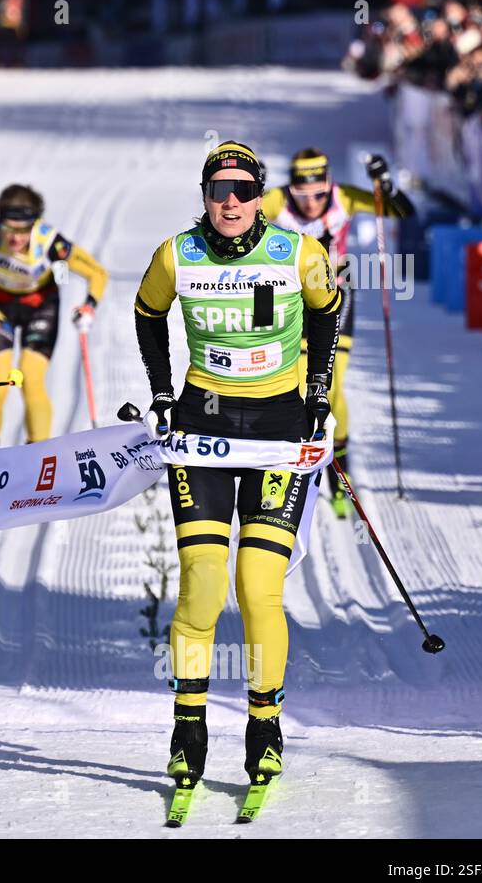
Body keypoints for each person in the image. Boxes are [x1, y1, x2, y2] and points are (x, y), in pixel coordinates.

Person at [132, 141, 341, 792]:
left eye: (243, 191)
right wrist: (163, 394)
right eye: (218, 189)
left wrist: (317, 394)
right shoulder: (176, 254)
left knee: (258, 586)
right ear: (203, 195)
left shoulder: (298, 253)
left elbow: (328, 315)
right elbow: (147, 315)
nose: (230, 202)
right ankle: (188, 726)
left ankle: (264, 726)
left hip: (277, 433)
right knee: (200, 580)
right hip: (203, 429)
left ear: (260, 197)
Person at [262, 149, 414, 516]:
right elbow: (232, 215)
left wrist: (386, 185)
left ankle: (338, 470)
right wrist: (253, 186)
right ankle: (289, 463)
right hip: (287, 296)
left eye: (318, 195)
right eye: (303, 197)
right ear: (291, 190)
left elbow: (400, 211)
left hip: (334, 293)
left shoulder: (344, 196)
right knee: (292, 381)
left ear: (328, 186)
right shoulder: (276, 200)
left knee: (331, 384)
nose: (312, 204)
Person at [0, 184, 108, 447]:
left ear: (35, 223)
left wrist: (89, 307)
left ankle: (37, 455)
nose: (15, 239)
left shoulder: (49, 241)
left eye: (23, 230)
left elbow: (97, 273)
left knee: (31, 377)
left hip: (41, 306)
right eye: (9, 228)